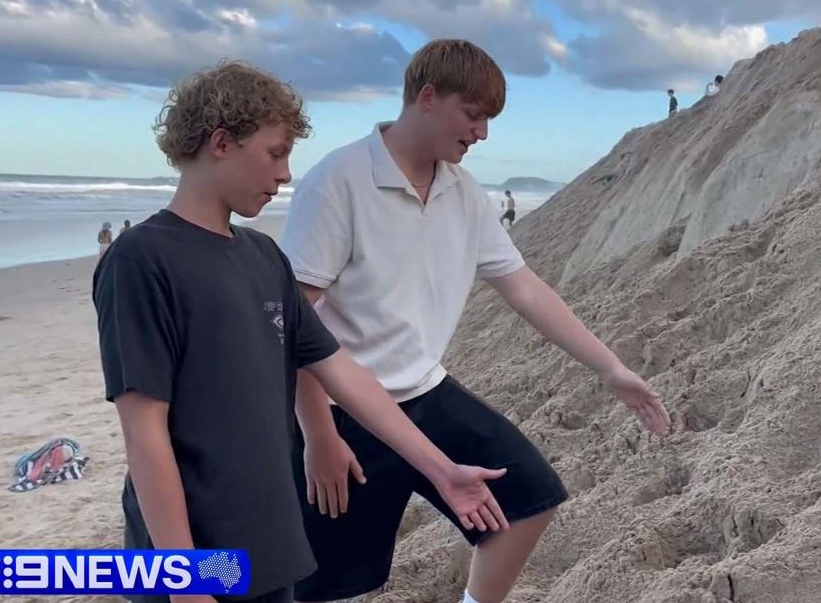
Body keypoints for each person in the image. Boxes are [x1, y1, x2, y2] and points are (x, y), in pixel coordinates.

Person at [93, 60, 509, 603]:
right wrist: (184, 582)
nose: (285, 174)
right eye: (275, 153)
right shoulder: (142, 260)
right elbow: (143, 433)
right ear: (221, 142)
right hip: (191, 557)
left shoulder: (263, 256)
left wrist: (441, 469)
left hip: (270, 542)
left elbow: (344, 374)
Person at [281, 38, 671, 603]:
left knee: (528, 500)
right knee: (327, 582)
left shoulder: (463, 191)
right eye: (474, 114)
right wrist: (316, 434)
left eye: (488, 118)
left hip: (424, 390)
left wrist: (611, 369)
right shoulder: (336, 181)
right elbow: (296, 322)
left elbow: (526, 290)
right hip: (342, 408)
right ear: (429, 98)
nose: (482, 132)